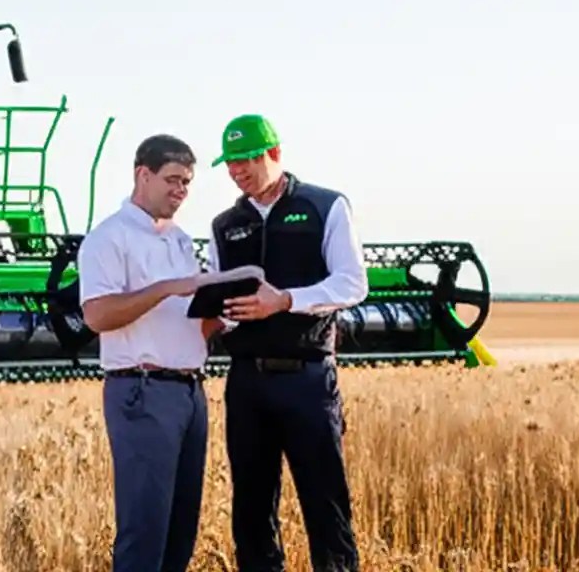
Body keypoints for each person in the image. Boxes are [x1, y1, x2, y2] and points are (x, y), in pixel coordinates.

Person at [204, 114, 368, 572]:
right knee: (251, 510)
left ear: (272, 154)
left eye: (243, 161)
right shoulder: (225, 224)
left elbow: (353, 283)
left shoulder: (325, 207)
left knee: (324, 503)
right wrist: (217, 313)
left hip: (308, 380)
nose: (235, 172)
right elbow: (219, 295)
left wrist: (286, 301)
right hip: (246, 383)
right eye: (229, 164)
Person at [76, 133, 211, 572]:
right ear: (143, 174)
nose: (181, 191)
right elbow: (97, 315)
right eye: (173, 179)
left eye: (187, 183)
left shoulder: (180, 240)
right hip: (143, 391)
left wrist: (226, 313)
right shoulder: (108, 239)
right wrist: (165, 288)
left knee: (180, 529)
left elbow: (185, 318)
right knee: (145, 528)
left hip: (190, 392)